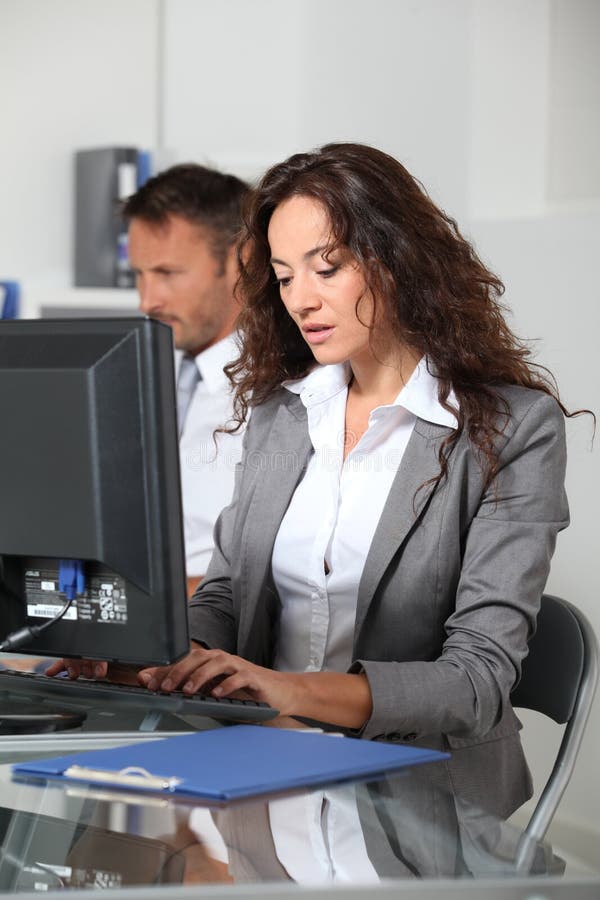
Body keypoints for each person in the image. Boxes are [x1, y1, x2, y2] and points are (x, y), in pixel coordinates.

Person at [49, 143, 579, 820]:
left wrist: (287, 689)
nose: (302, 299)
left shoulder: (509, 428)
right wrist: (143, 654)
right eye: (283, 275)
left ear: (396, 258)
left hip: (424, 800)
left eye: (326, 268)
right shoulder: (282, 411)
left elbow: (475, 683)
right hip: (259, 772)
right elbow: (227, 599)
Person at [123, 163, 250, 595]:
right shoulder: (146, 376)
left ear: (240, 261)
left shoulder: (283, 393)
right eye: (138, 275)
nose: (147, 300)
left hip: (220, 639)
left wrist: (134, 604)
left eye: (167, 274)